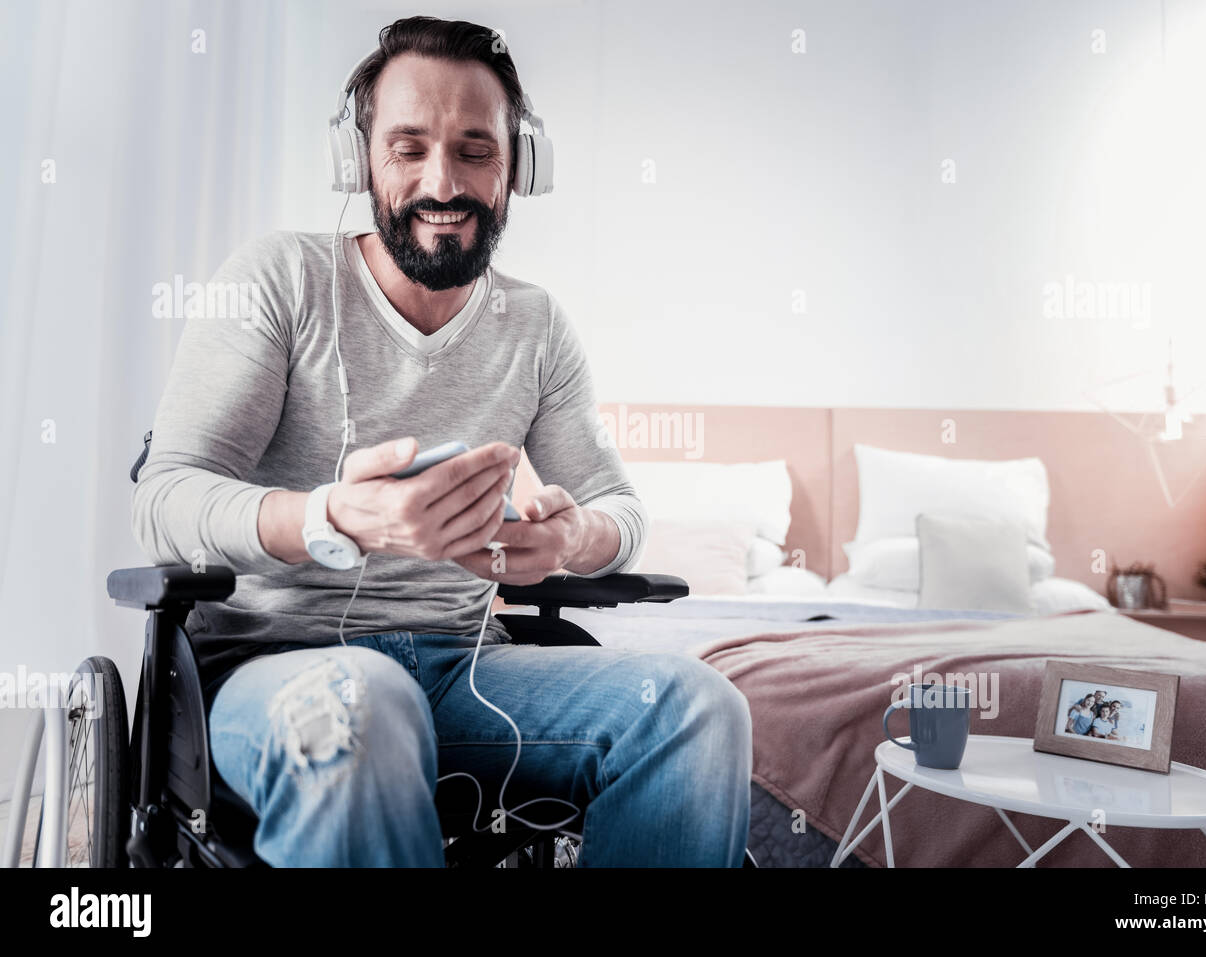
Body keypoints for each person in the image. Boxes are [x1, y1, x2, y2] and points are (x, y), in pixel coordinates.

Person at [131, 16, 752, 867]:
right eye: (409, 146)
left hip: (465, 676)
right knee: (367, 701)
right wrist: (333, 518)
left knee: (700, 709)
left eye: (473, 150)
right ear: (359, 160)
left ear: (517, 168)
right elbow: (164, 498)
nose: (442, 181)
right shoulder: (279, 282)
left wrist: (571, 536)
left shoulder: (533, 326)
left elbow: (621, 510)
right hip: (276, 674)